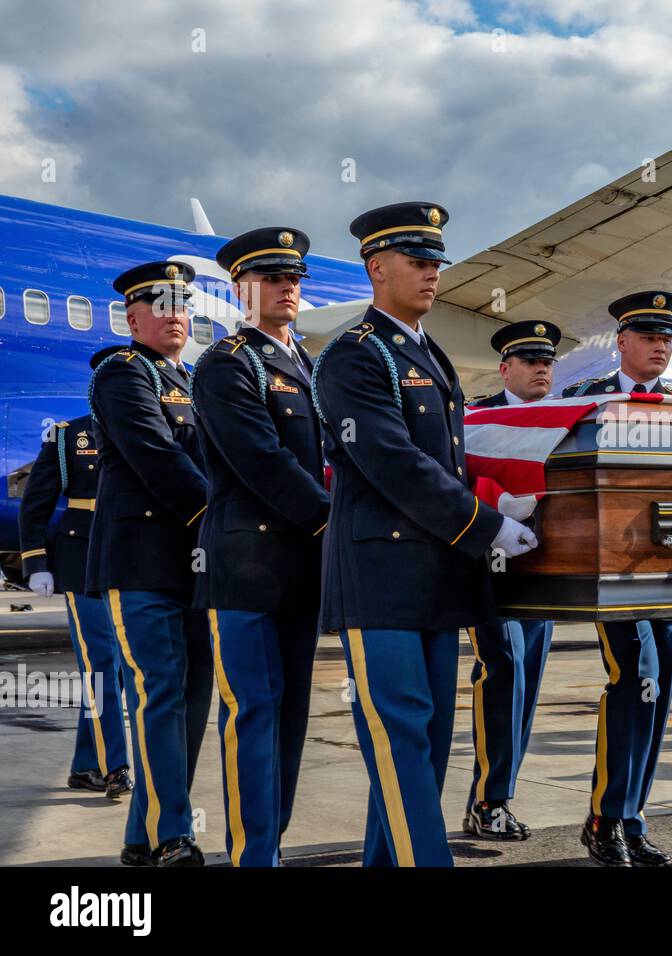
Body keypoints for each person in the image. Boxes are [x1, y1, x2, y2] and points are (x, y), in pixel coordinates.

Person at [313, 202, 537, 866]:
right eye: (418, 262)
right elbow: (392, 462)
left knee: (429, 742)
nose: (433, 275)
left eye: (436, 262)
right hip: (381, 579)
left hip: (437, 577)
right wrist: (485, 523)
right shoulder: (353, 355)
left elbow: (448, 464)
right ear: (377, 269)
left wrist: (499, 508)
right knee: (403, 738)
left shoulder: (426, 353)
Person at [189, 227, 330, 866]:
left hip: (301, 567)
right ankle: (253, 857)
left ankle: (271, 844)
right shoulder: (227, 363)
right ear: (242, 289)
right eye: (272, 278)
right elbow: (261, 461)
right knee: (255, 717)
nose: (287, 288)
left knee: (292, 719)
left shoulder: (307, 364)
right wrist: (333, 522)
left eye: (294, 278)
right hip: (248, 567)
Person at [87, 262, 212, 866]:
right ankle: (174, 836)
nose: (173, 316)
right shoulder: (122, 374)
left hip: (197, 566)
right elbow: (159, 458)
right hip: (143, 566)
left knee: (192, 698)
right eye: (159, 307)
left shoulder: (194, 381)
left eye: (181, 306)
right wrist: (221, 524)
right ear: (132, 318)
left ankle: (142, 838)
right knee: (160, 694)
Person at [563, 291, 672, 867]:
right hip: (614, 572)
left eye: (667, 338)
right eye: (649, 337)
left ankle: (632, 817)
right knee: (635, 679)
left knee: (656, 696)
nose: (660, 346)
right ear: (623, 343)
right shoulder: (586, 401)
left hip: (670, 573)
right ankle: (604, 817)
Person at [462, 319, 562, 841]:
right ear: (505, 369)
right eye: (529, 360)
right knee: (505, 670)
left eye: (546, 360)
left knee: (527, 682)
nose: (541, 367)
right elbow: (464, 477)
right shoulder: (479, 419)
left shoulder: (565, 422)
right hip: (493, 568)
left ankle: (499, 793)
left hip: (545, 571)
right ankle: (489, 797)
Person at [19, 365, 133, 801]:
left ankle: (86, 764)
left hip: (129, 555)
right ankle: (113, 766)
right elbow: (36, 503)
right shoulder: (69, 435)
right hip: (80, 558)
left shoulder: (147, 429)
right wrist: (36, 563)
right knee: (103, 662)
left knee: (118, 669)